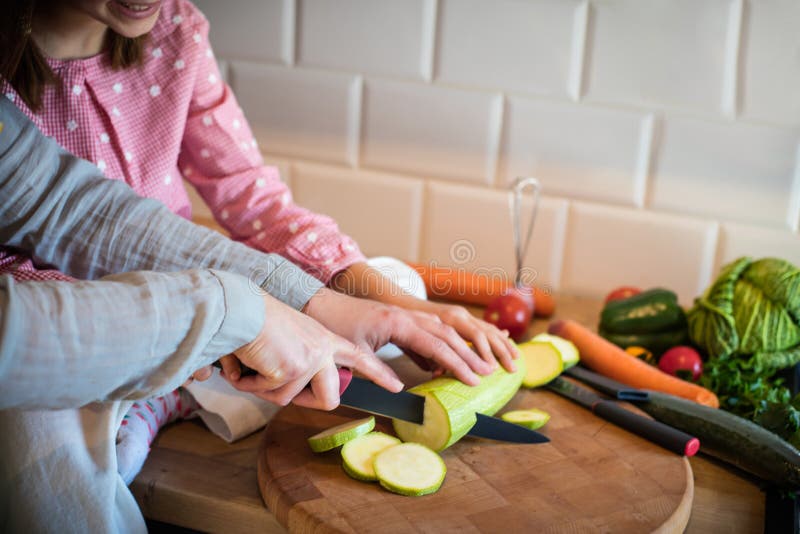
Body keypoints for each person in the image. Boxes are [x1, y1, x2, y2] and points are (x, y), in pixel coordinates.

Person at [1, 0, 518, 482]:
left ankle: (185, 388)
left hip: (204, 305)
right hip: (89, 336)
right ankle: (171, 391)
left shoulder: (174, 28)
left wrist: (397, 308)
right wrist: (191, 327)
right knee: (43, 431)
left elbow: (249, 201)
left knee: (390, 277)